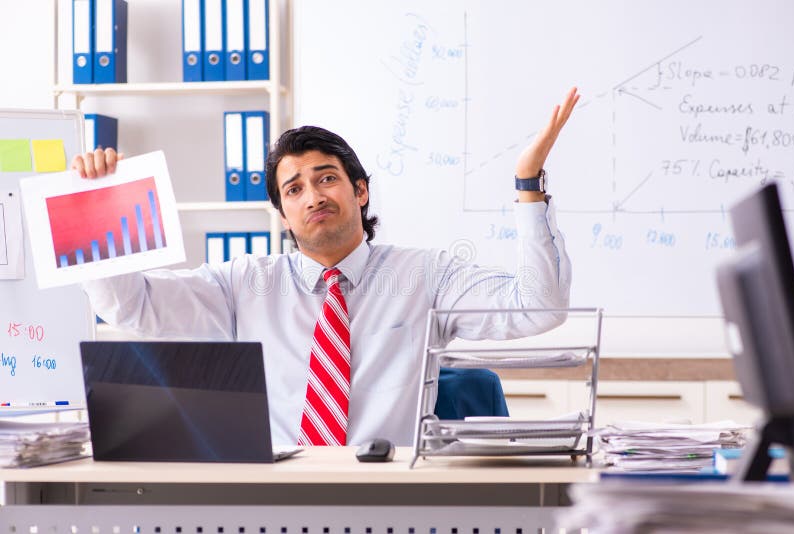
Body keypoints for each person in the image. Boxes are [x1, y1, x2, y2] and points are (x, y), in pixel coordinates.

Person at [73, 88, 580, 446]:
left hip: (393, 501)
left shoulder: (425, 276)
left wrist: (527, 184)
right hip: (277, 501)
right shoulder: (242, 283)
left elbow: (538, 307)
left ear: (359, 191)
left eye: (327, 179)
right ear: (283, 215)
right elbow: (130, 307)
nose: (313, 196)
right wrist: (100, 208)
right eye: (294, 189)